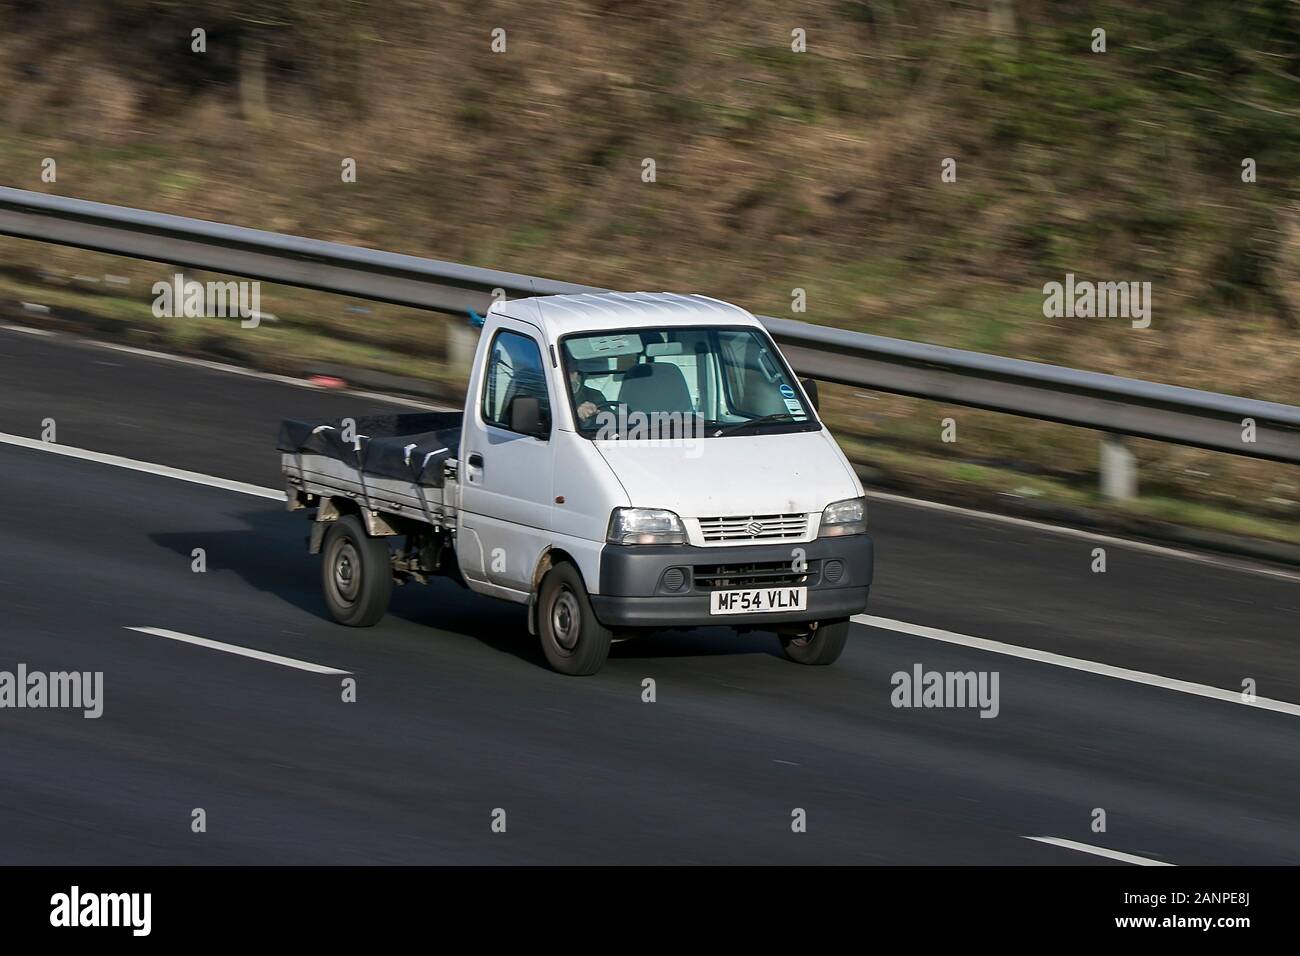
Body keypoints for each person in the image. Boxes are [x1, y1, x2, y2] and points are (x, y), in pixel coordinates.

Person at [569, 360, 607, 426]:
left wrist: (594, 413)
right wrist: (575, 414)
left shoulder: (594, 395)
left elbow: (611, 419)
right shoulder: (548, 395)